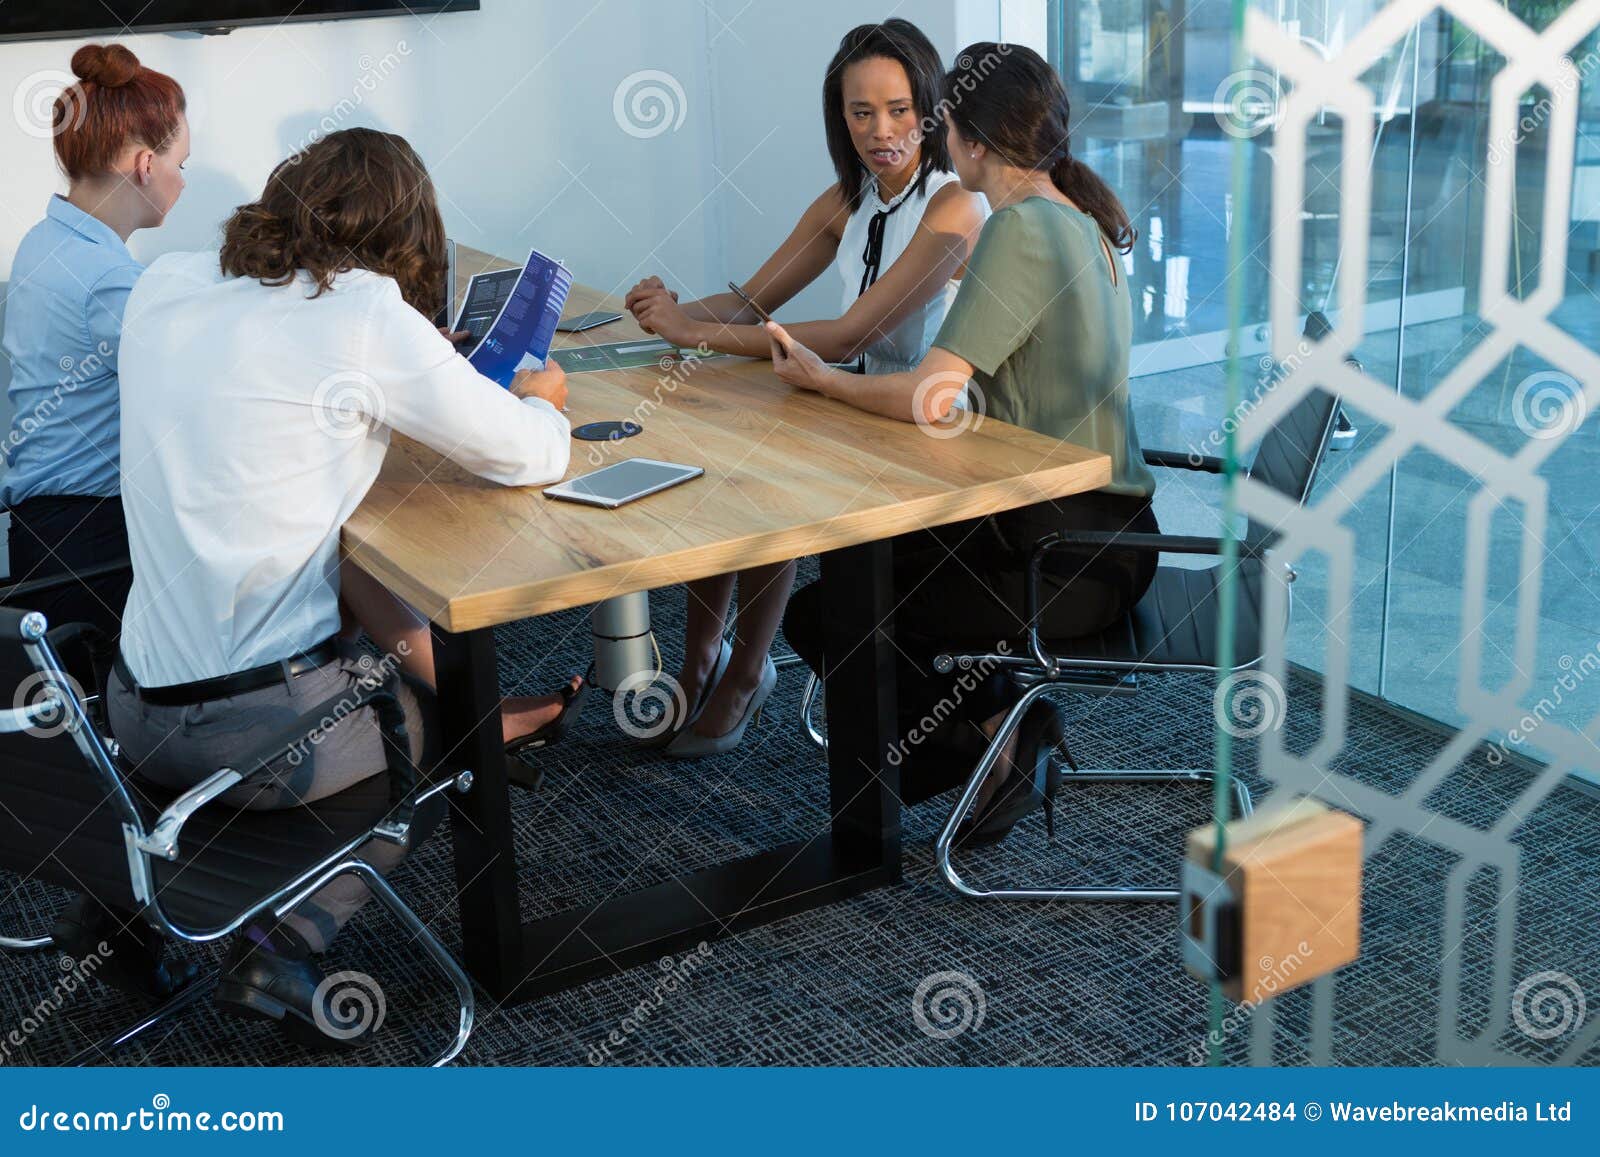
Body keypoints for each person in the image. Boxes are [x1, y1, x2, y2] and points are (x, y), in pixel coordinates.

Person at [105, 128, 576, 1048]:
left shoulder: (166, 282)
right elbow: (527, 455)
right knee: (448, 728)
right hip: (261, 735)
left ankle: (126, 904)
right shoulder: (360, 311)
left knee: (352, 594)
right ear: (408, 237)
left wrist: (399, 372)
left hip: (128, 717)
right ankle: (284, 942)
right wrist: (543, 399)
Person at [771, 44, 1159, 848]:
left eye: (941, 124)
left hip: (1066, 555)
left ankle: (995, 742)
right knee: (874, 575)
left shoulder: (1020, 229)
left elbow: (931, 393)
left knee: (835, 610)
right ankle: (1006, 723)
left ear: (970, 139)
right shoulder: (1079, 217)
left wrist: (825, 380)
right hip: (1101, 537)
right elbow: (978, 399)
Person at [622, 19, 987, 757]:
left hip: (922, 426)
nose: (880, 130)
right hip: (847, 403)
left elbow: (853, 334)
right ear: (839, 118)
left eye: (898, 109)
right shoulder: (845, 200)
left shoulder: (955, 207)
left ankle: (749, 671)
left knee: (769, 485)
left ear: (932, 108)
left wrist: (694, 335)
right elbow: (751, 304)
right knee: (725, 468)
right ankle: (701, 659)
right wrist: (663, 314)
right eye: (860, 112)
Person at [1, 43, 187, 637]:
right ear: (144, 166)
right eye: (182, 163)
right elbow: (213, 372)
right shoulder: (108, 279)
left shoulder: (45, 240)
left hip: (45, 535)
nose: (182, 180)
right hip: (95, 550)